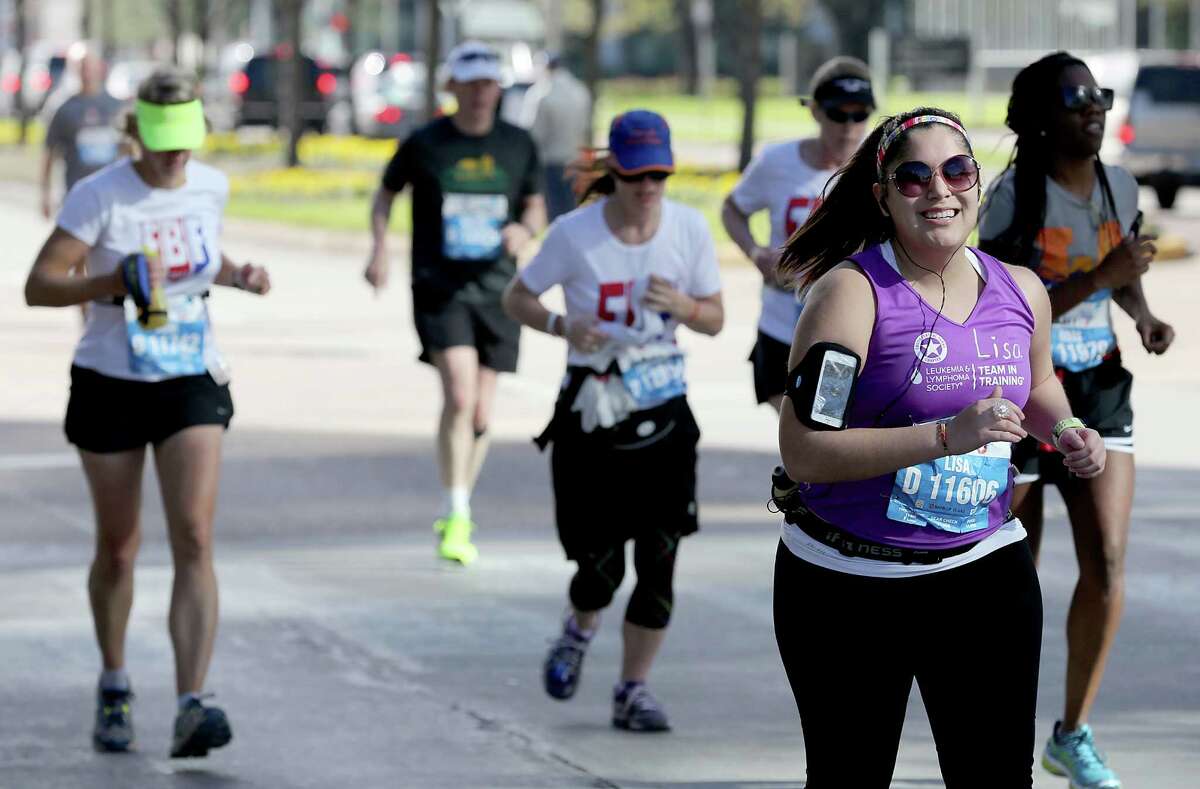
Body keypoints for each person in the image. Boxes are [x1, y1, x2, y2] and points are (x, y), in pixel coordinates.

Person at [771, 107, 1106, 787]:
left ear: (978, 183)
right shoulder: (851, 295)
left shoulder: (1022, 290)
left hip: (984, 571)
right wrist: (946, 436)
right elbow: (805, 452)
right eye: (915, 177)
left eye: (957, 171)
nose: (940, 191)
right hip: (850, 583)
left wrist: (1066, 428)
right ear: (884, 196)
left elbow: (1036, 381)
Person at [23, 68, 270, 758]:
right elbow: (39, 285)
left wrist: (237, 273)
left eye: (184, 143)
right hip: (111, 379)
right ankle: (114, 679)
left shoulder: (210, 187)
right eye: (161, 144)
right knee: (120, 546)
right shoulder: (99, 195)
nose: (174, 158)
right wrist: (110, 282)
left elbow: (201, 256)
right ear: (135, 135)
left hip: (189, 372)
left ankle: (193, 701)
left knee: (193, 534)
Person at [979, 51, 1174, 789]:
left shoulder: (1119, 184)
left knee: (1109, 561)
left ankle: (1071, 733)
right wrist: (1098, 279)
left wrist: (1145, 313)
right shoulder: (1009, 198)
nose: (1093, 108)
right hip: (1025, 393)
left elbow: (1121, 276)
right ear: (1040, 116)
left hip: (1099, 389)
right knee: (1011, 577)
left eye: (1099, 95)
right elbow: (1001, 314)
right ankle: (995, 731)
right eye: (1075, 98)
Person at [502, 110, 723, 732]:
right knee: (599, 571)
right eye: (636, 176)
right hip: (592, 415)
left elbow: (715, 318)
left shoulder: (688, 229)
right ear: (615, 174)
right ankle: (579, 628)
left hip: (665, 412)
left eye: (660, 174)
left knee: (659, 562)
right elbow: (516, 296)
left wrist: (682, 305)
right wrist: (560, 325)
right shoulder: (575, 235)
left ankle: (633, 689)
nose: (649, 187)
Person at [365, 41, 545, 565]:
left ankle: (459, 496)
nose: (479, 94)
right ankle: (458, 508)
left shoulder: (518, 143)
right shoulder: (426, 142)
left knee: (484, 412)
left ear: (497, 90)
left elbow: (535, 202)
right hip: (440, 286)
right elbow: (385, 192)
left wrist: (523, 230)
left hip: (499, 290)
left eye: (488, 84)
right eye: (469, 84)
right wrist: (379, 248)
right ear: (452, 88)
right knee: (461, 396)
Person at [722, 56, 874, 411]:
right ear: (815, 111)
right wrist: (756, 253)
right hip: (781, 326)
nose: (849, 126)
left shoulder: (878, 166)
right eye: (838, 114)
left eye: (860, 114)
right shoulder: (778, 162)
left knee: (829, 438)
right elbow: (732, 209)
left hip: (846, 330)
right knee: (797, 440)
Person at [41, 48, 125, 220]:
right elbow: (50, 153)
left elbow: (129, 151)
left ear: (100, 68)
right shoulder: (65, 110)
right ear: (76, 70)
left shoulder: (116, 107)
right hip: (76, 197)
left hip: (112, 198)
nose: (87, 72)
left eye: (91, 66)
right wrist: (45, 194)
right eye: (83, 67)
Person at [527, 53, 591, 221]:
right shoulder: (580, 90)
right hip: (575, 160)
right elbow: (585, 127)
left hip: (550, 163)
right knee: (574, 213)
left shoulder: (541, 93)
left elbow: (535, 134)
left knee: (555, 215)